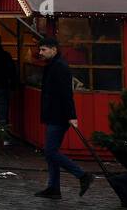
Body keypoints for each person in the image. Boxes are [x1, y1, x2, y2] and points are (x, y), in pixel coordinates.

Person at [35, 36, 93, 199]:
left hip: (58, 116)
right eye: (40, 49)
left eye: (44, 49)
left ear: (54, 49)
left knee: (50, 151)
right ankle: (53, 188)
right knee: (51, 152)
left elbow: (67, 94)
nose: (41, 52)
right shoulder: (53, 65)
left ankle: (82, 175)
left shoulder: (59, 67)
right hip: (54, 114)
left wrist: (71, 116)